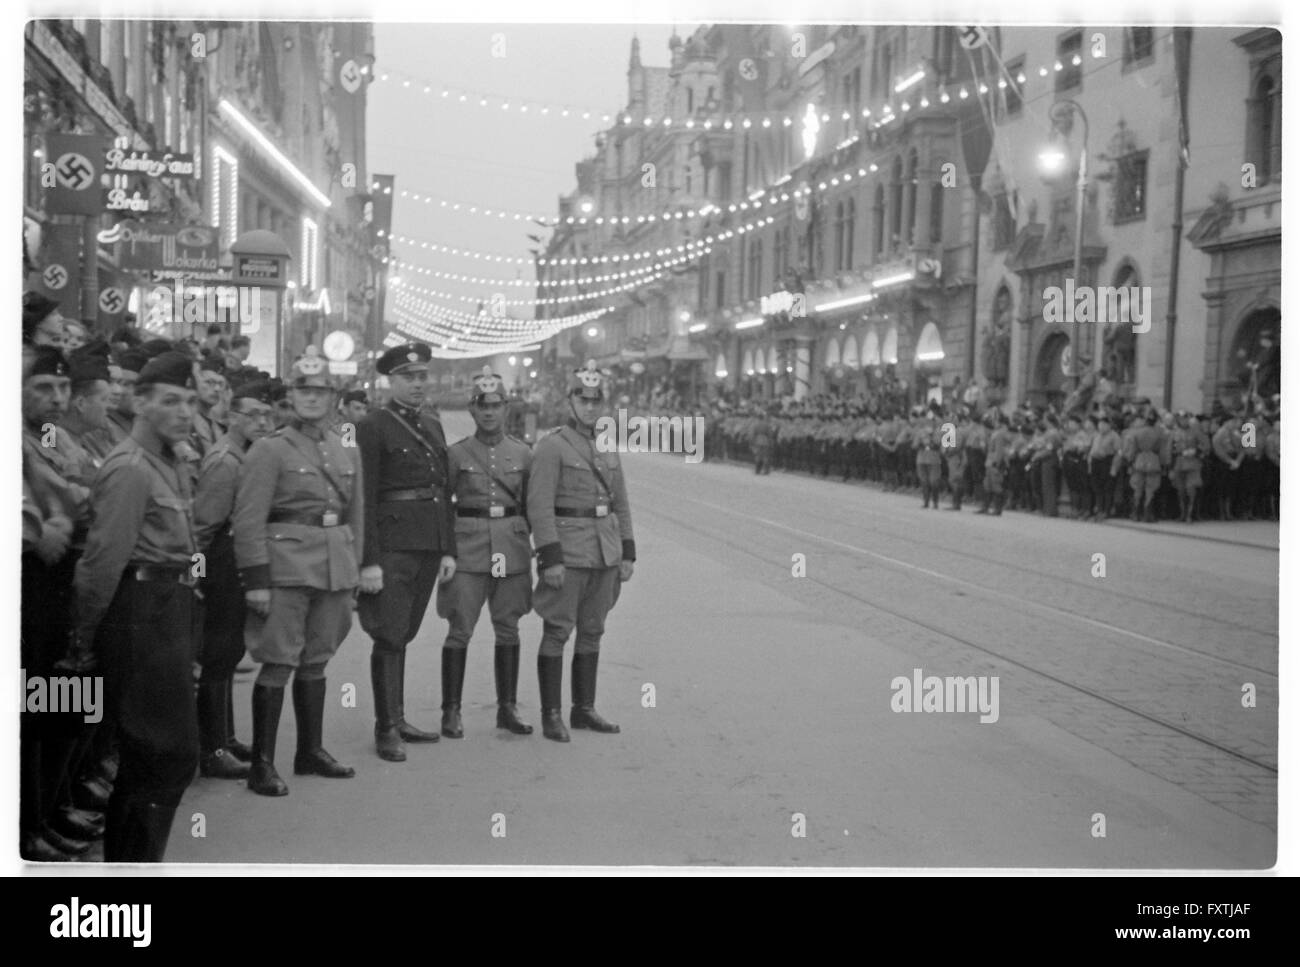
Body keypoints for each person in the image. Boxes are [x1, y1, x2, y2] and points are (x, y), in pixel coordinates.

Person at [72, 351, 202, 862]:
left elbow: (189, 545)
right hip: (139, 613)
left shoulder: (171, 462)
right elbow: (101, 564)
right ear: (140, 403)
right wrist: (82, 640)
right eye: (171, 401)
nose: (185, 412)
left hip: (169, 607)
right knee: (162, 754)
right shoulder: (130, 469)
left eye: (190, 402)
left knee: (161, 757)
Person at [233, 350, 362, 796]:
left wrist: (355, 567)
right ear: (290, 396)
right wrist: (256, 581)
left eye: (320, 391)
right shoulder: (270, 449)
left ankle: (310, 750)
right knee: (279, 660)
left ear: (333, 397)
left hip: (335, 566)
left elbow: (356, 514)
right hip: (285, 568)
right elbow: (248, 519)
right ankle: (262, 764)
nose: (311, 398)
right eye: (303, 390)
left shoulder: (345, 447)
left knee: (318, 658)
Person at [355, 342, 457, 761]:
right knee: (389, 633)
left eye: (421, 377)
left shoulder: (432, 424)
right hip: (393, 545)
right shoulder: (372, 426)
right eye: (407, 378)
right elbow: (363, 496)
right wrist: (368, 560)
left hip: (428, 542)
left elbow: (443, 490)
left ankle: (397, 717)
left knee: (406, 632)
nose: (417, 384)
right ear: (390, 381)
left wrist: (448, 549)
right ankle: (385, 728)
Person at [528, 361, 635, 743]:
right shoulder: (552, 446)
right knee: (558, 630)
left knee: (593, 630)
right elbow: (539, 506)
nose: (589, 407)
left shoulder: (607, 445)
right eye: (582, 399)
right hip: (569, 552)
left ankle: (583, 709)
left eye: (595, 401)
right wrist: (550, 557)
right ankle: (551, 714)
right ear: (569, 401)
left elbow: (620, 502)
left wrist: (627, 551)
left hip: (605, 552)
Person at [437, 367, 534, 737]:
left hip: (509, 546)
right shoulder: (456, 454)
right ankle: (451, 711)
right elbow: (442, 505)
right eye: (482, 406)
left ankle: (507, 708)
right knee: (460, 628)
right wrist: (446, 551)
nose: (489, 412)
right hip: (469, 547)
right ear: (472, 410)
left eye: (496, 405)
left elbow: (534, 504)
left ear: (506, 407)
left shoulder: (523, 453)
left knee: (508, 627)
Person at [192, 380, 277, 779]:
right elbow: (203, 529)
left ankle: (224, 737)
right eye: (252, 414)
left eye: (266, 415)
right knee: (218, 653)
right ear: (231, 417)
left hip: (237, 558)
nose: (261, 422)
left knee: (228, 653)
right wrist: (196, 582)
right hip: (220, 562)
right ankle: (211, 749)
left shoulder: (249, 455)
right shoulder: (226, 461)